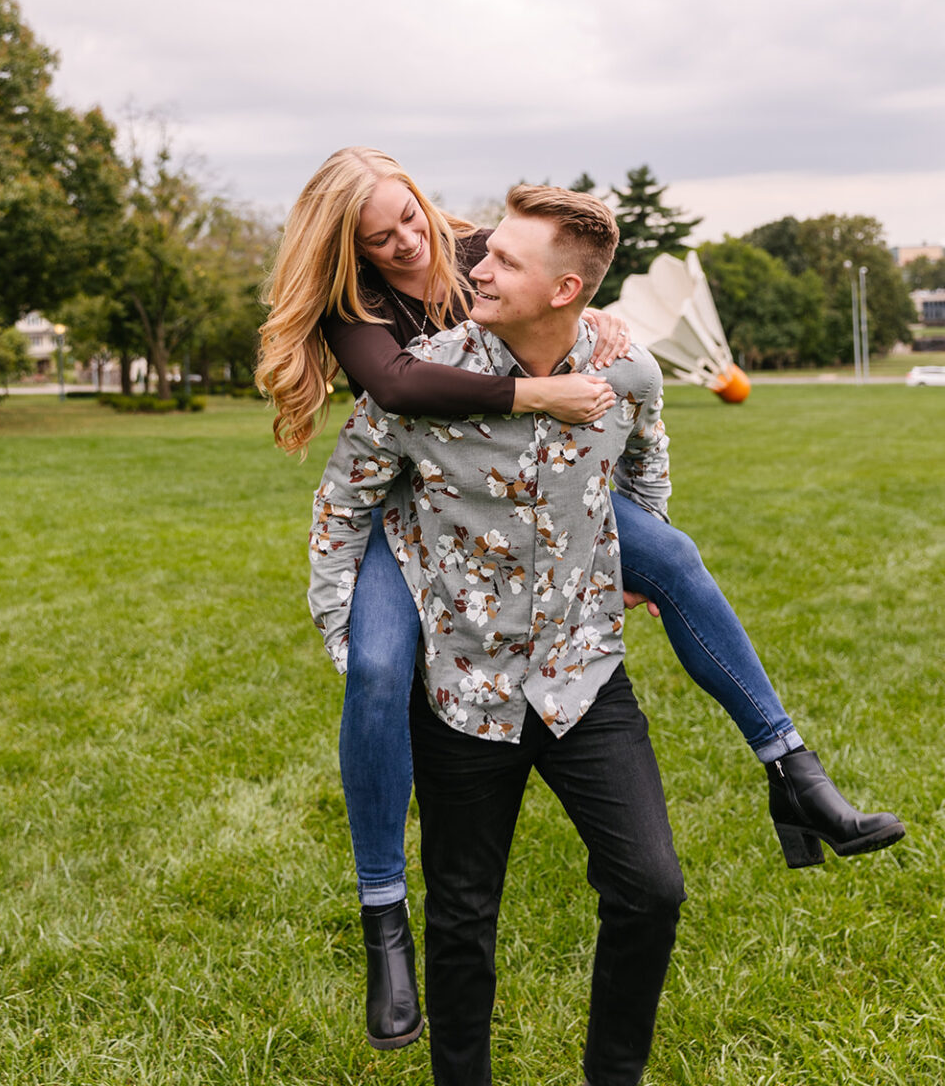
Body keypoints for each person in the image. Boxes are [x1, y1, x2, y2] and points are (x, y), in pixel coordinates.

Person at [257, 147, 904, 1050]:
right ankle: (383, 917)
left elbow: (577, 286)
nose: (412, 244)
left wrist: (623, 532)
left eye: (414, 218)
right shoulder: (356, 309)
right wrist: (538, 391)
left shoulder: (482, 248)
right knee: (374, 665)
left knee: (672, 558)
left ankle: (793, 769)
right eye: (381, 238)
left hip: (544, 505)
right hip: (418, 504)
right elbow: (395, 393)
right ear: (348, 251)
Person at [309, 185, 685, 1085]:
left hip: (583, 679)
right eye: (486, 252)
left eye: (505, 260)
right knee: (464, 916)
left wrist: (643, 557)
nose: (475, 265)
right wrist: (347, 637)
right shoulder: (421, 379)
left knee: (652, 888)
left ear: (566, 289)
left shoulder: (626, 372)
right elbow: (342, 503)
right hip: (462, 692)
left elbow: (647, 459)